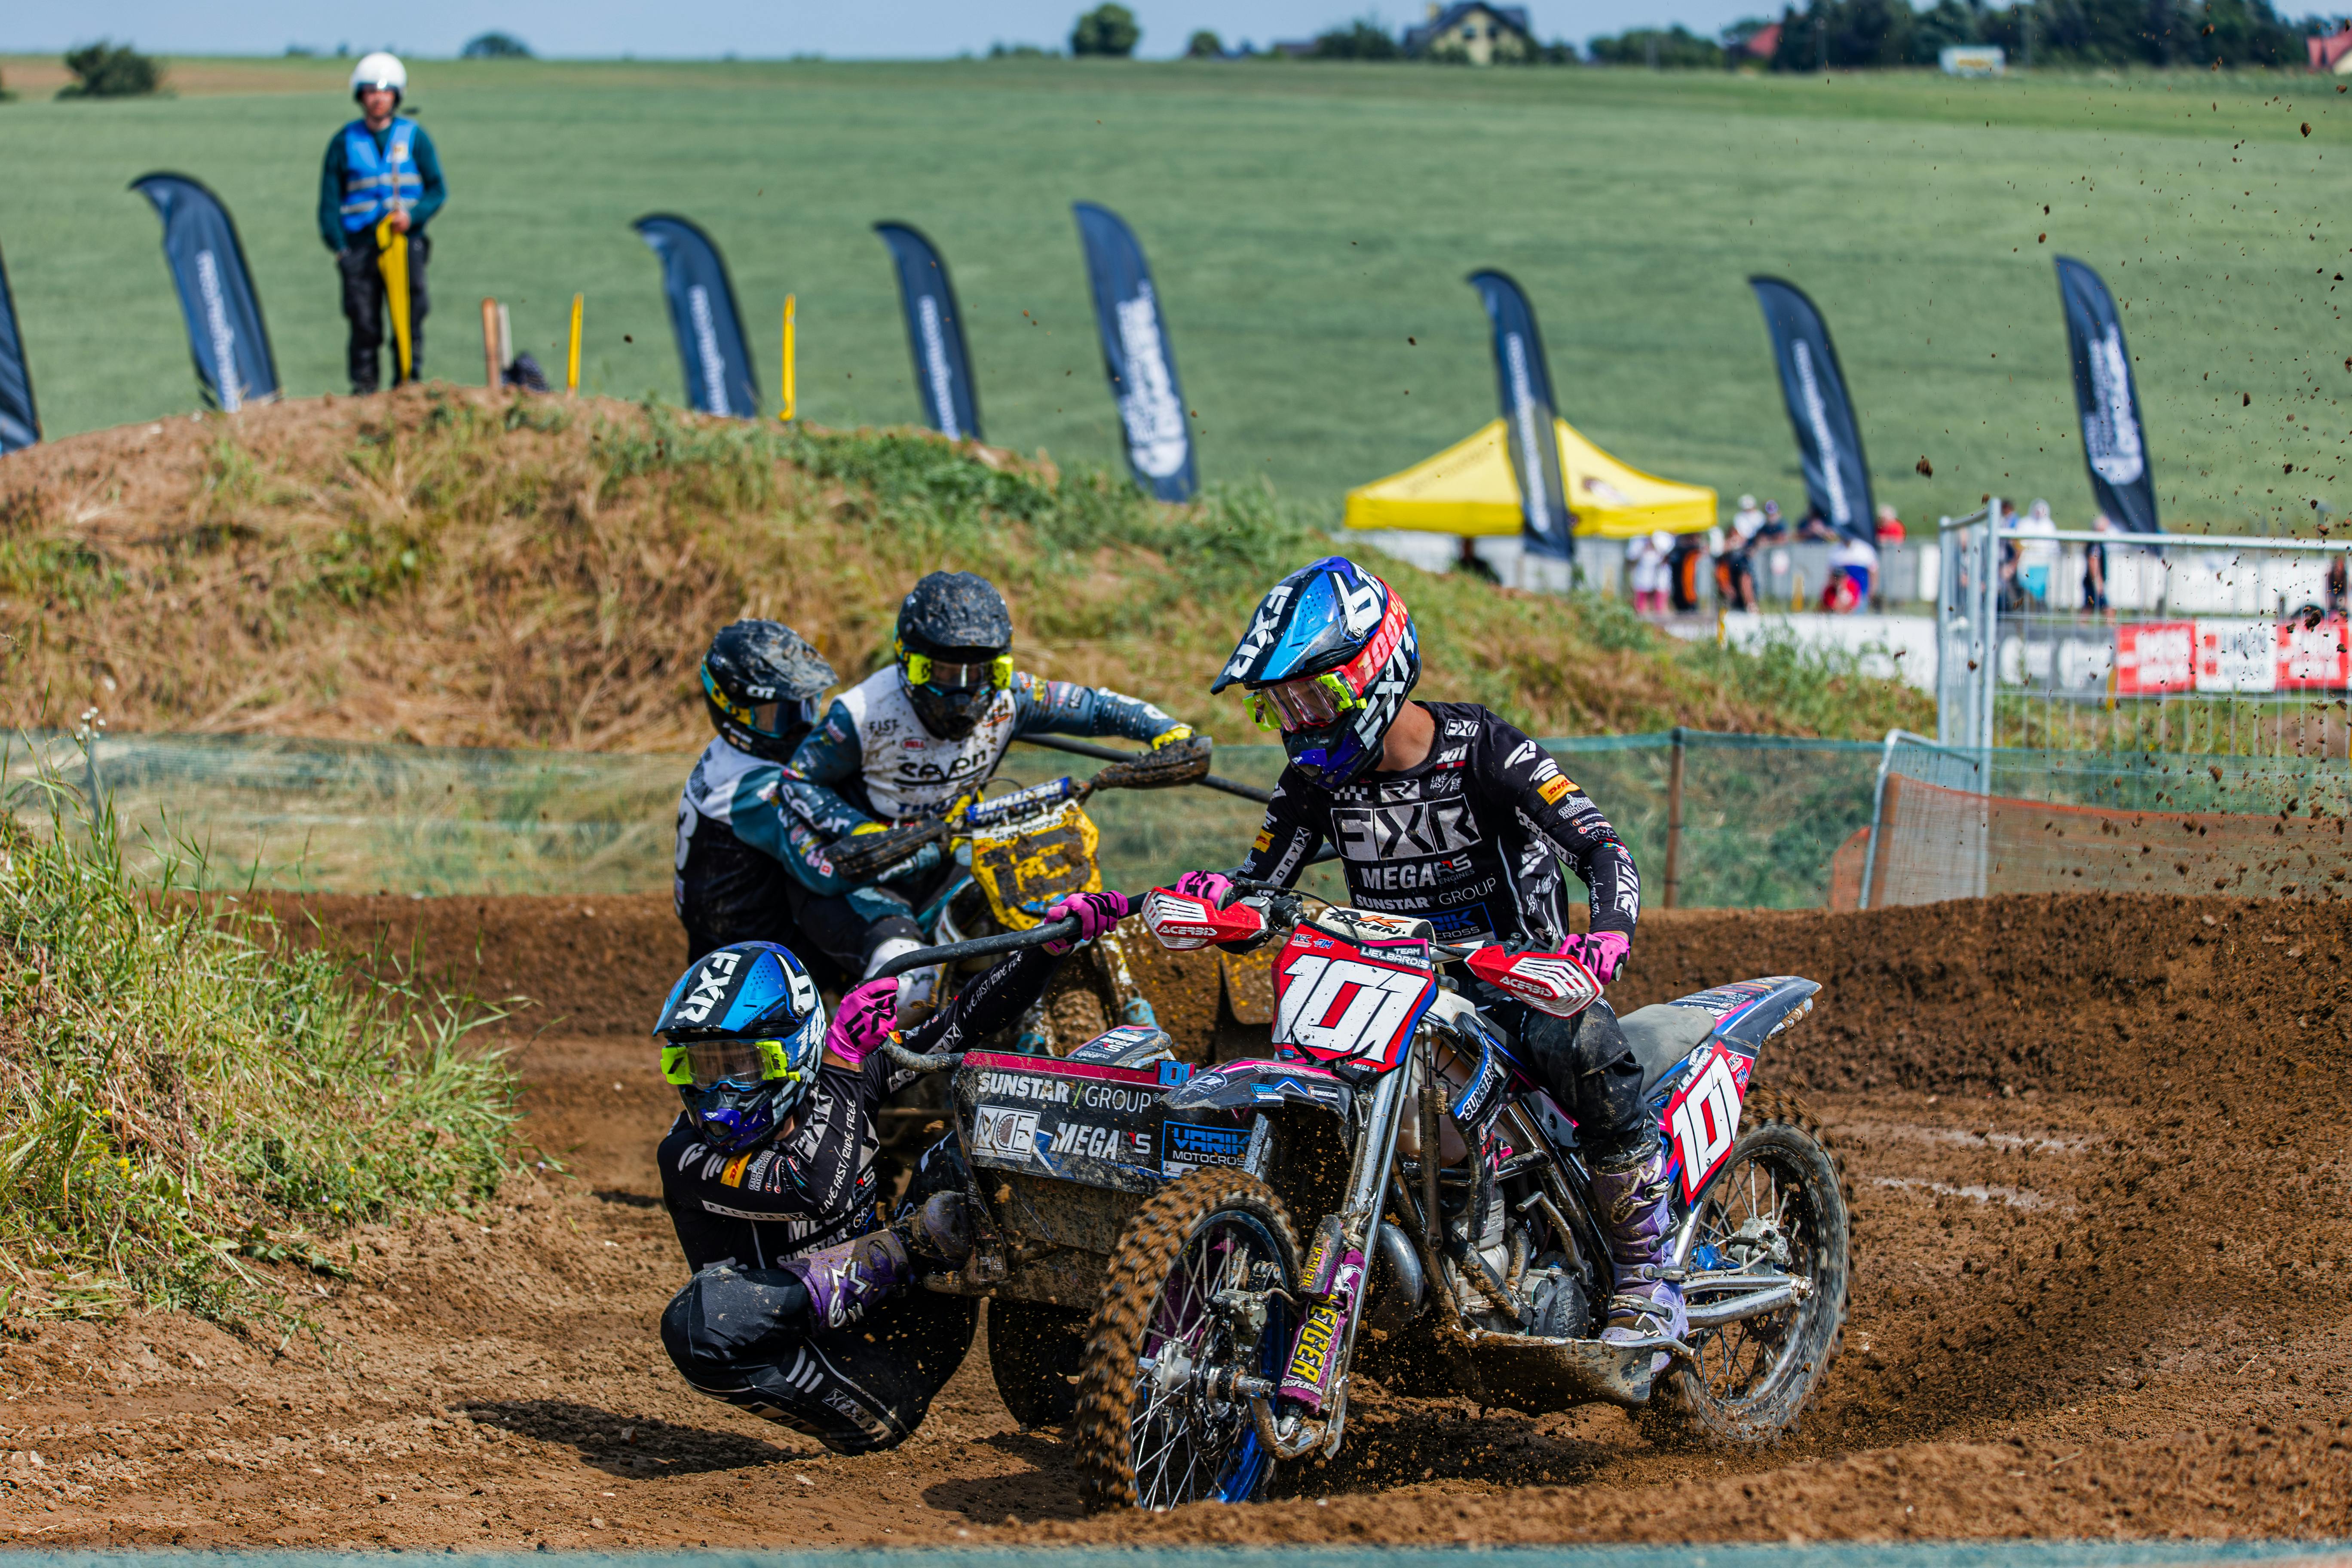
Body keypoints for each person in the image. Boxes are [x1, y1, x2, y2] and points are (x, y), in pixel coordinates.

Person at [1165, 557, 1677, 1351]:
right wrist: (1219, 901)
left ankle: (1648, 1270)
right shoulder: (1313, 781)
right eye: (1280, 706)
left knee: (1584, 1040)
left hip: (1519, 983)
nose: (1298, 721)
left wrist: (1606, 936)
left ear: (1376, 669)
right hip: (1388, 986)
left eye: (1311, 696)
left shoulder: (1484, 749)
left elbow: (1603, 848)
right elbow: (1259, 883)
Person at [654, 889, 1131, 1453]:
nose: (719, 1093)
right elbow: (817, 1190)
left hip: (916, 1320)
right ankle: (906, 1260)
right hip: (853, 1377)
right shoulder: (686, 1155)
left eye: (741, 1066)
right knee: (699, 1318)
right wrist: (841, 1063)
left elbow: (964, 1021)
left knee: (966, 1148)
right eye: (698, 1068)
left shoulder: (847, 1078)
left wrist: (1048, 948)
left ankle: (1079, 1337)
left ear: (792, 1052)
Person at [785, 571, 1194, 983]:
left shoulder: (1012, 697)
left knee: (1032, 928)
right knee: (910, 980)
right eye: (944, 674)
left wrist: (1168, 732)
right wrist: (864, 833)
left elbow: (1095, 706)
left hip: (952, 856)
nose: (964, 694)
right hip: (867, 881)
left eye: (981, 673)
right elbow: (798, 781)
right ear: (907, 661)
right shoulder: (861, 713)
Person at [674, 619, 851, 980]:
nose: (800, 728)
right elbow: (830, 874)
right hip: (753, 963)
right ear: (733, 712)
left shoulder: (726, 754)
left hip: (721, 944)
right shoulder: (753, 786)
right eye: (781, 717)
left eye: (805, 709)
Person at [318, 53, 446, 395]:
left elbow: (437, 190)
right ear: (360, 97)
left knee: (410, 314)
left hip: (406, 243)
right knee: (363, 320)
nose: (378, 98)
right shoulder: (343, 142)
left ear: (397, 96)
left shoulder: (415, 137)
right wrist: (340, 249)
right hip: (360, 245)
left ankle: (408, 382)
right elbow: (329, 202)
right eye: (371, 92)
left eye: (386, 91)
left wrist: (413, 217)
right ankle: (364, 389)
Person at [1717, 495, 1762, 612]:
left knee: (1745, 578)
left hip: (1743, 560)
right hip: (1738, 561)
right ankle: (1749, 605)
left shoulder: (1757, 519)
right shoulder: (1740, 519)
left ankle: (1750, 604)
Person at [1822, 532, 1877, 614]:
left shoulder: (1865, 550)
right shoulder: (1835, 551)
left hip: (1861, 593)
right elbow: (1831, 574)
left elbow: (1873, 571)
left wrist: (1872, 590)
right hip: (1841, 593)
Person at [2084, 513, 2113, 615]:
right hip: (2094, 582)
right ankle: (2112, 630)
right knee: (2106, 609)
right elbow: (2093, 561)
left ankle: (2080, 628)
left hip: (2092, 581)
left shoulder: (2096, 542)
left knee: (2089, 607)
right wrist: (2097, 580)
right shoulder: (2096, 543)